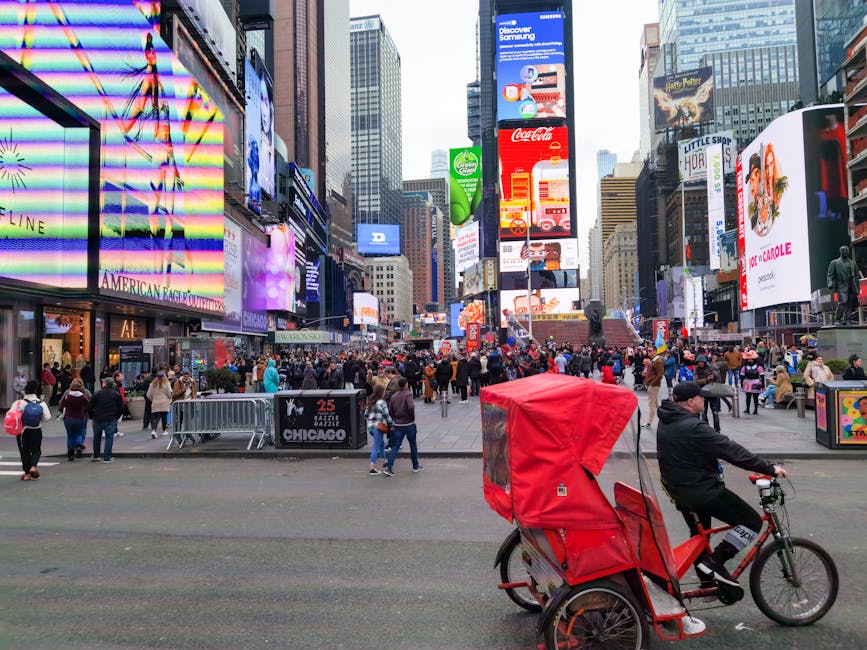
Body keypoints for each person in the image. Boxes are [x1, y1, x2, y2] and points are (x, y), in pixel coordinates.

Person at [657, 381, 788, 588]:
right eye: (701, 397)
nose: (704, 400)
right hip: (701, 491)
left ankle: (707, 582)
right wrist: (769, 468)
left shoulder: (668, 419)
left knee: (700, 536)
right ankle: (715, 562)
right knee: (752, 522)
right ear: (691, 401)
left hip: (680, 489)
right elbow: (731, 451)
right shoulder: (693, 426)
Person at [382, 378, 423, 476]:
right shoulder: (408, 394)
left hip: (398, 424)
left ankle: (389, 466)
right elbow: (411, 407)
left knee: (395, 446)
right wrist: (412, 417)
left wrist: (394, 419)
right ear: (406, 385)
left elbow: (390, 410)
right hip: (408, 423)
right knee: (413, 445)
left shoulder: (394, 396)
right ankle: (415, 466)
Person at [11, 379, 51, 480]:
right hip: (36, 429)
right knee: (36, 450)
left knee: (24, 451)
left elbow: (11, 415)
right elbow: (47, 417)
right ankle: (33, 466)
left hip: (22, 430)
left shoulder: (19, 403)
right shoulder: (41, 403)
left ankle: (27, 473)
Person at [88, 377, 124, 463]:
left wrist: (91, 416)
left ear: (104, 384)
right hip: (111, 418)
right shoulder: (116, 395)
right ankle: (107, 457)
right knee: (109, 438)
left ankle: (96, 455)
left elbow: (90, 406)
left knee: (97, 437)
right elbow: (121, 408)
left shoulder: (97, 394)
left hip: (97, 418)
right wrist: (117, 416)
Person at [827, 245, 860, 325]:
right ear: (840, 252)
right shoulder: (835, 263)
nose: (845, 252)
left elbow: (856, 276)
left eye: (846, 250)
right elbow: (830, 275)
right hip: (841, 285)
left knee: (849, 303)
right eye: (843, 251)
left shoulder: (853, 263)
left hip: (851, 285)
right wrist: (830, 283)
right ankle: (837, 319)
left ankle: (847, 319)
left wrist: (857, 288)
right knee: (843, 302)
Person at [59, 378, 89, 460]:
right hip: (80, 417)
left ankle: (70, 453)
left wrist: (62, 411)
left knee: (70, 435)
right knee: (79, 433)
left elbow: (61, 406)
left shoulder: (67, 395)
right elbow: (88, 405)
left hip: (68, 418)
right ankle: (79, 444)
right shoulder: (83, 397)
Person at [365, 385, 392, 476]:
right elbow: (386, 416)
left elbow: (366, 415)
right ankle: (372, 467)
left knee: (381, 444)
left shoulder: (370, 401)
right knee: (376, 446)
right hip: (378, 426)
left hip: (370, 427)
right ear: (381, 393)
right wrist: (391, 423)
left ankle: (385, 463)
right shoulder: (382, 402)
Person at [146, 371, 173, 438]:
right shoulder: (167, 384)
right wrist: (169, 399)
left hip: (155, 403)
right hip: (164, 403)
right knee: (164, 418)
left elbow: (148, 395)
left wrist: (153, 399)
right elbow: (170, 393)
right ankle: (164, 431)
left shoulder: (152, 384)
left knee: (155, 418)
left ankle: (153, 431)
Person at [643, 350, 664, 428]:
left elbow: (660, 375)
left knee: (652, 403)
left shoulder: (658, 361)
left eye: (650, 351)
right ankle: (667, 414)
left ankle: (649, 422)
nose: (648, 352)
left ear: (655, 352)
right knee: (655, 403)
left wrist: (652, 383)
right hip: (651, 384)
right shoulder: (653, 360)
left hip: (653, 385)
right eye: (648, 351)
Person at [740, 351, 764, 415]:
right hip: (748, 382)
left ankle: (755, 410)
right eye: (749, 360)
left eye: (751, 359)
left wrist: (763, 385)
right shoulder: (744, 368)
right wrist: (741, 384)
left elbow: (762, 377)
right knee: (748, 397)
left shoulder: (759, 367)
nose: (750, 361)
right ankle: (748, 409)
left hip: (755, 382)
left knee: (755, 397)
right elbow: (741, 377)